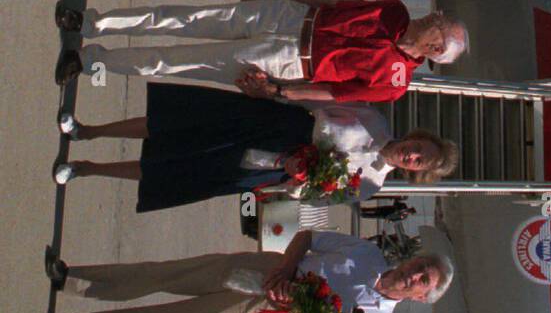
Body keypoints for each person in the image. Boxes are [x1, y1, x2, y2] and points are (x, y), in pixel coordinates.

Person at [38, 229, 454, 313]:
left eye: (424, 281)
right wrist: (287, 267)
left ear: (420, 299)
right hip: (265, 270)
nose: (416, 275)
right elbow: (308, 236)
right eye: (422, 267)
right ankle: (73, 279)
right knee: (166, 273)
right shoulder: (366, 252)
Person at [52, 88, 458, 208]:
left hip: (273, 169)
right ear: (416, 136)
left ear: (412, 170)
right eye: (421, 147)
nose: (414, 154)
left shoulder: (369, 185)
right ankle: (88, 130)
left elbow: (316, 197)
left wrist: (297, 181)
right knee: (176, 126)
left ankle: (87, 169)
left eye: (420, 162)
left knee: (175, 169)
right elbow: (320, 103)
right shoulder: (375, 118)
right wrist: (279, 93)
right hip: (275, 125)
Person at [54, 0, 469, 99]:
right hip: (292, 18)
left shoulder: (394, 82)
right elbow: (336, 5)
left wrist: (277, 90)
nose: (430, 16)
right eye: (436, 15)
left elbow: (334, 92)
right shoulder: (394, 11)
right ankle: (94, 22)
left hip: (289, 60)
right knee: (187, 17)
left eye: (437, 23)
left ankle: (92, 62)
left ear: (435, 50)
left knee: (179, 63)